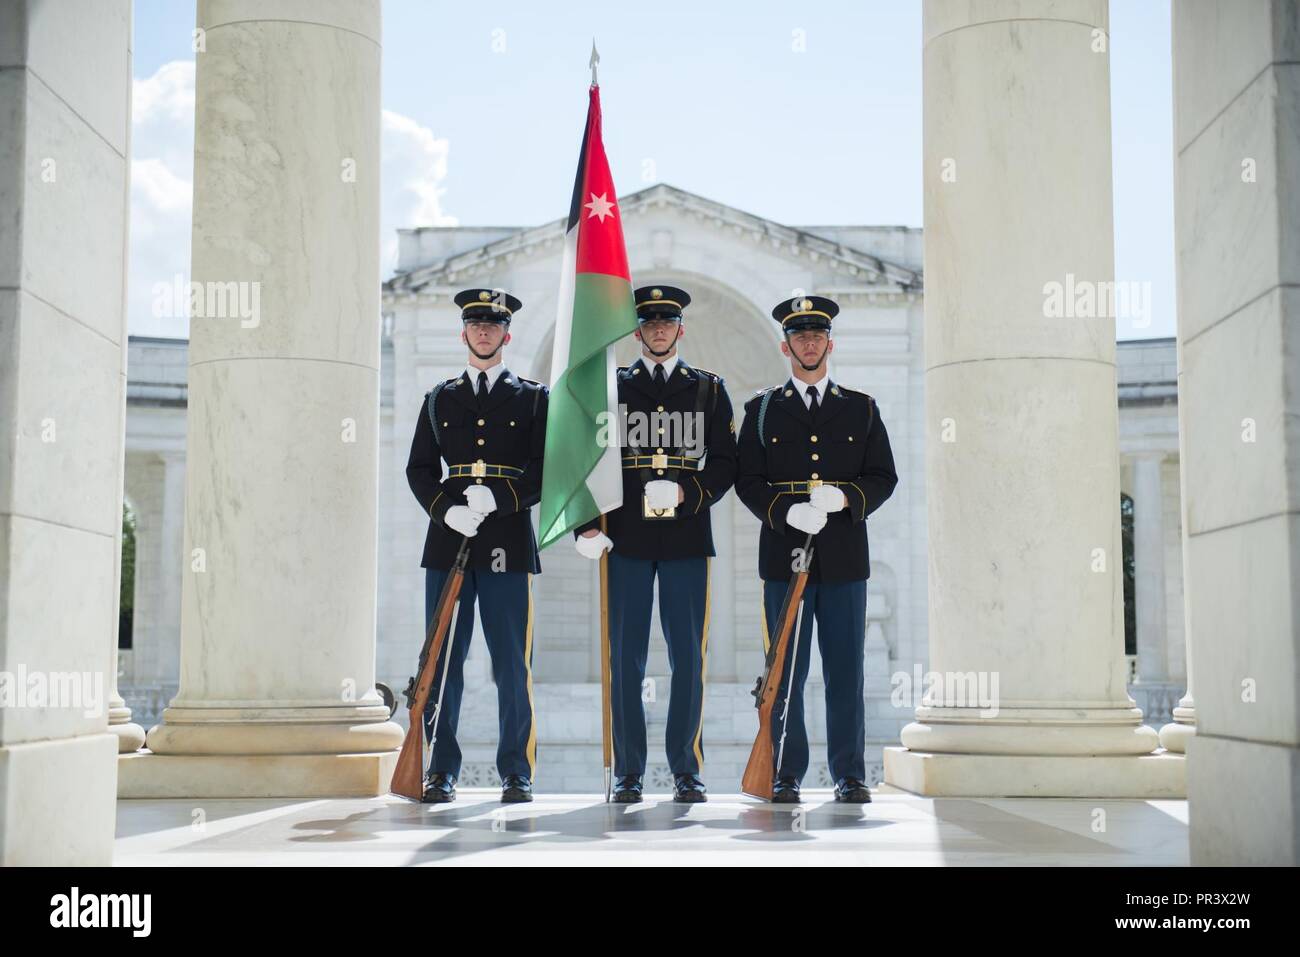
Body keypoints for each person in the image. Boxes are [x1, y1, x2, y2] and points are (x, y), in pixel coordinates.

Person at [574, 285, 737, 803]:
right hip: (626, 536)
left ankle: (686, 769)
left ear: (681, 329)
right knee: (626, 658)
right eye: (649, 323)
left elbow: (729, 462)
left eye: (667, 322)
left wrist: (690, 492)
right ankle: (629, 772)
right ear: (637, 331)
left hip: (687, 535)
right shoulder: (612, 389)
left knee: (688, 657)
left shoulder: (709, 390)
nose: (659, 330)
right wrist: (585, 525)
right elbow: (584, 457)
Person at [734, 295, 898, 803]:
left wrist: (847, 497)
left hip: (845, 558)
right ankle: (785, 771)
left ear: (831, 343)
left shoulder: (861, 408)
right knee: (786, 670)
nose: (809, 343)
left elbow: (883, 477)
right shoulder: (761, 411)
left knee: (845, 669)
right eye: (799, 336)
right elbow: (746, 480)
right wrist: (785, 511)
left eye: (817, 335)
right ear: (786, 347)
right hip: (785, 557)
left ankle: (849, 774)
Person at [405, 287, 548, 804]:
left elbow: (545, 471)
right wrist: (448, 509)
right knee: (443, 658)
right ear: (462, 333)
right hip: (449, 540)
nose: (484, 332)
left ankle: (517, 770)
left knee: (512, 660)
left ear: (507, 334)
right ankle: (440, 769)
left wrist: (503, 498)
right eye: (475, 324)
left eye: (493, 325)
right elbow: (419, 468)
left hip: (507, 538)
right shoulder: (439, 398)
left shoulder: (533, 398)